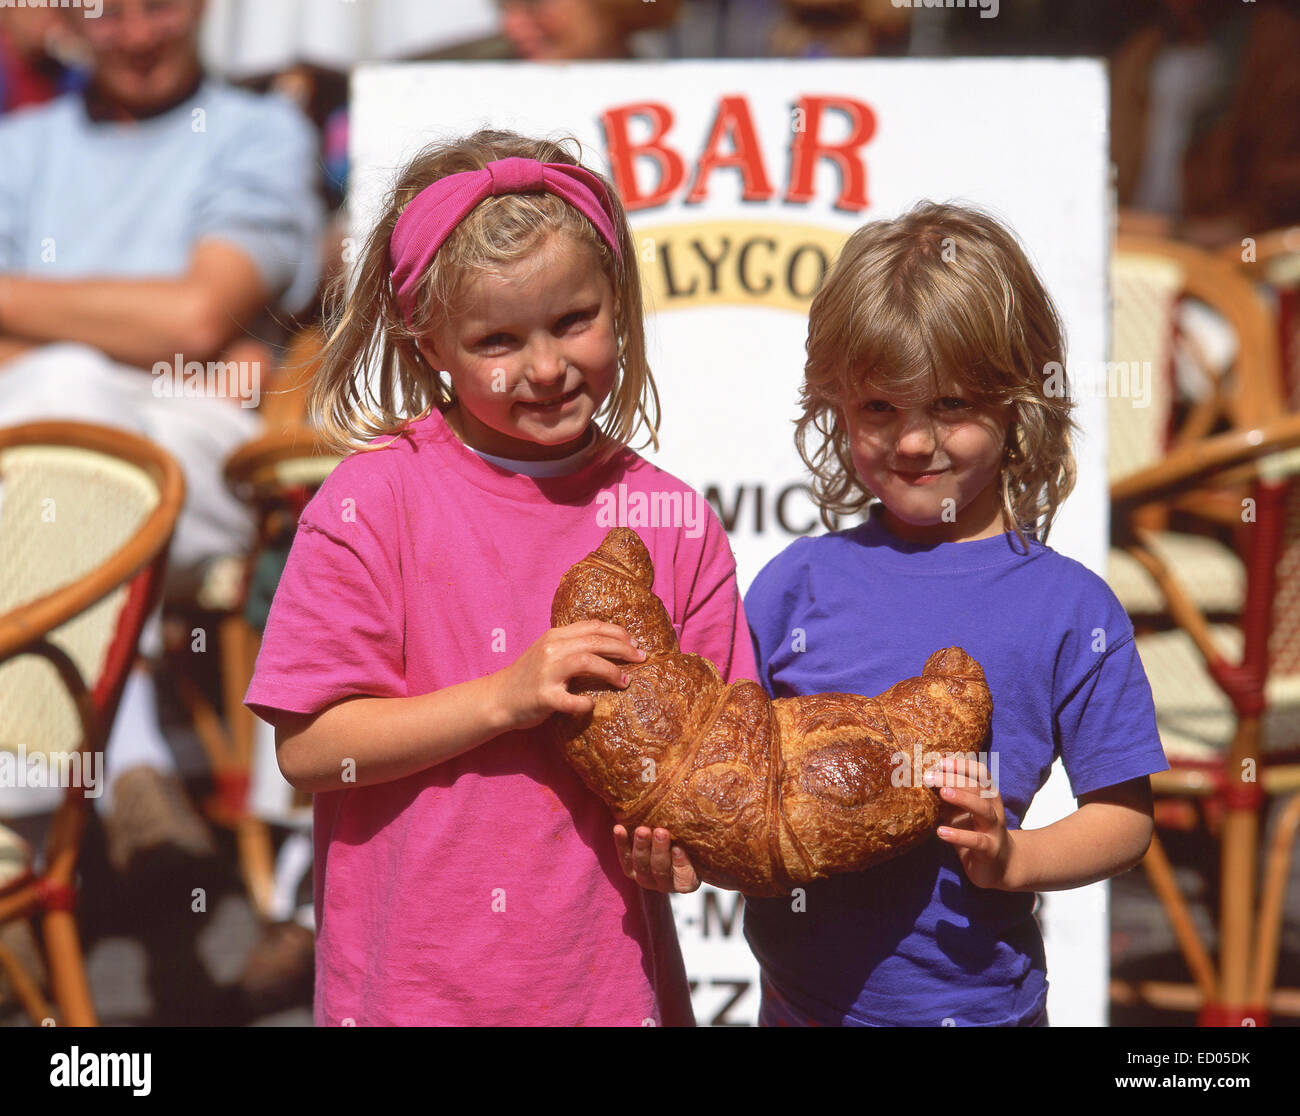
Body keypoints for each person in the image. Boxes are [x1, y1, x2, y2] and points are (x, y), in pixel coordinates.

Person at [243, 129, 755, 1026]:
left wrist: (688, 852)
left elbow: (724, 772)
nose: (548, 367)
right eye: (497, 340)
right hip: (408, 998)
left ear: (621, 304)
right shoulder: (374, 502)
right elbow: (311, 750)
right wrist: (506, 696)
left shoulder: (675, 521)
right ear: (427, 339)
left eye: (574, 321)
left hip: (609, 997)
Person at [626, 202, 1167, 1025]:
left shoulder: (1070, 608)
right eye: (880, 409)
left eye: (951, 406)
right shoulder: (795, 585)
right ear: (833, 406)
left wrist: (1013, 856)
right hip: (798, 1007)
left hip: (982, 1007)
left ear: (1020, 398)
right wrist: (688, 854)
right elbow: (727, 769)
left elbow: (1124, 819)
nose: (915, 442)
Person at [0, 0, 322, 881]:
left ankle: (25, 855)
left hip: (192, 448)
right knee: (61, 415)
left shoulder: (257, 131)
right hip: (57, 446)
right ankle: (131, 759)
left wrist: (20, 305)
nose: (137, 35)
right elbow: (188, 323)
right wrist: (153, 332)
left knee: (58, 398)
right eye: (107, 15)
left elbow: (201, 310)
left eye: (159, 7)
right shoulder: (20, 144)